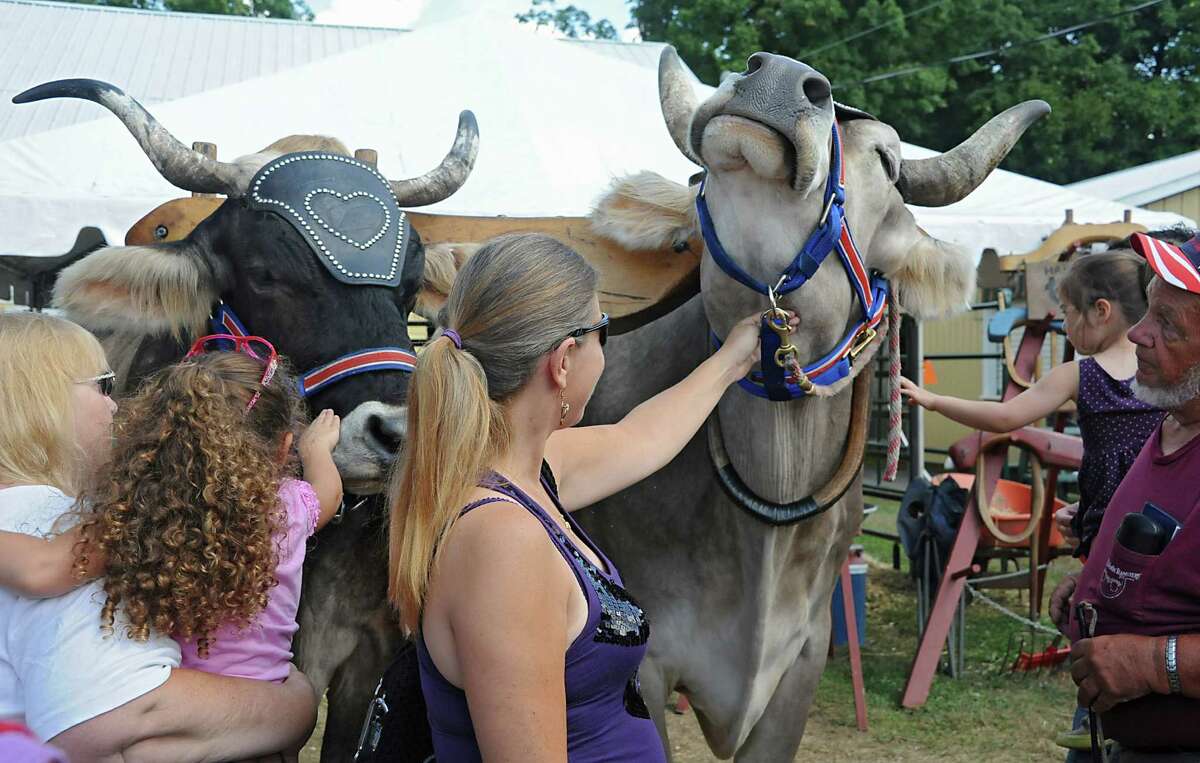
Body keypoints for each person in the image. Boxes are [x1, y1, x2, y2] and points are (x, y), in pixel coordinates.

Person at [388, 233, 777, 761]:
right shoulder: (503, 543)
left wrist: (734, 358)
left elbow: (640, 438)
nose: (605, 352)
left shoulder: (525, 473)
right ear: (564, 360)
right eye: (603, 333)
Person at [0, 312, 317, 762]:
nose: (115, 406)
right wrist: (297, 707)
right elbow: (117, 720)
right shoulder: (52, 520)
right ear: (42, 400)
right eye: (103, 385)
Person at [900, 249, 1163, 557]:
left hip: (1106, 521)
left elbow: (1003, 417)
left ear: (1101, 311)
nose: (1064, 326)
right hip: (1162, 509)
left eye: (1067, 312)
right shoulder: (1165, 370)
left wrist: (935, 401)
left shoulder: (1079, 375)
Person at [1049, 230, 1200, 760]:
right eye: (1148, 311)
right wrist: (1098, 588)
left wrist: (1152, 663)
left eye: (1167, 324)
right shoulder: (1173, 420)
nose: (1137, 333)